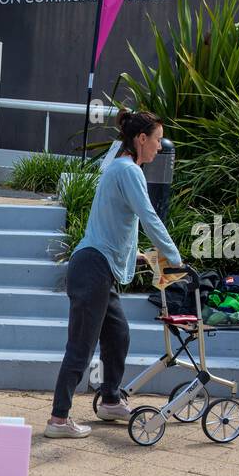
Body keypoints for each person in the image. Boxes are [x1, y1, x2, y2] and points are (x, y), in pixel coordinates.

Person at [46, 109, 182, 439]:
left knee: (118, 336)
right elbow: (148, 217)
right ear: (141, 139)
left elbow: (114, 224)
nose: (160, 147)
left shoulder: (121, 168)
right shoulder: (128, 171)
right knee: (80, 347)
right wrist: (173, 257)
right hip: (93, 269)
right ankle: (58, 420)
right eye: (157, 139)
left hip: (98, 267)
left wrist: (137, 255)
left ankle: (110, 400)